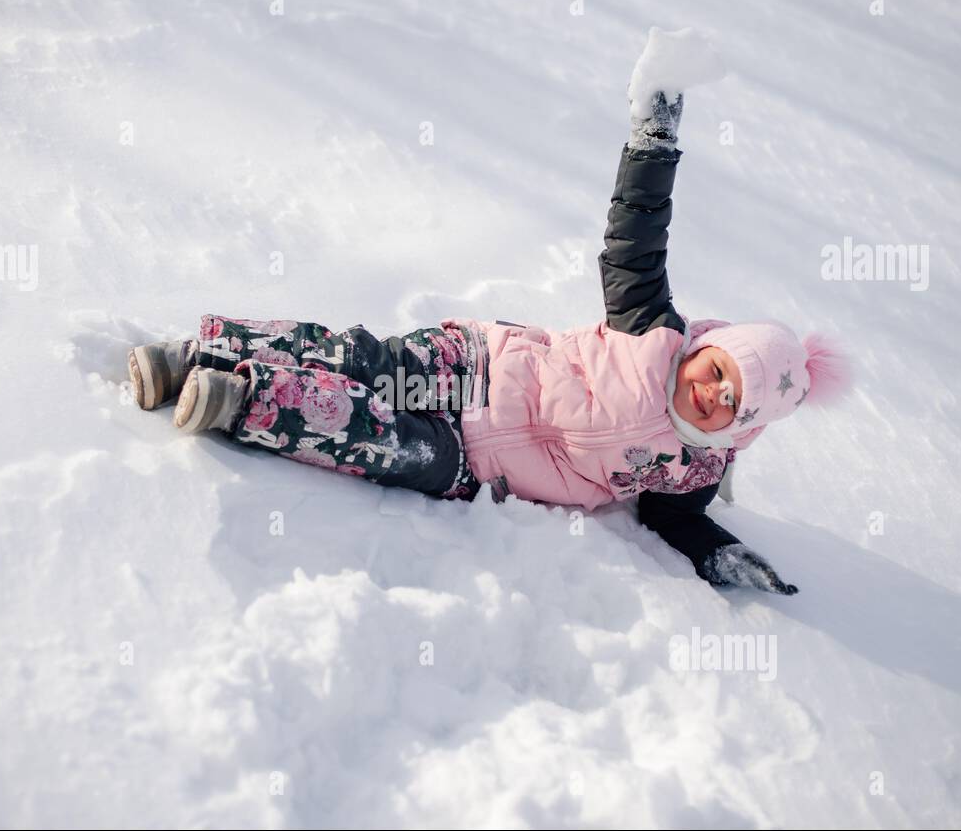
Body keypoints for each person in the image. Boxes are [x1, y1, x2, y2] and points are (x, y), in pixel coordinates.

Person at [126, 86, 851, 595]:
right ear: (708, 346)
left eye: (734, 403)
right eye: (721, 370)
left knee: (374, 440)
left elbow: (671, 516)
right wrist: (652, 144)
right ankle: (197, 354)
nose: (714, 393)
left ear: (743, 427)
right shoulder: (651, 332)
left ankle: (235, 399)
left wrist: (720, 553)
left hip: (471, 467)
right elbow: (636, 240)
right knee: (361, 362)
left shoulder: (693, 470)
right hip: (471, 371)